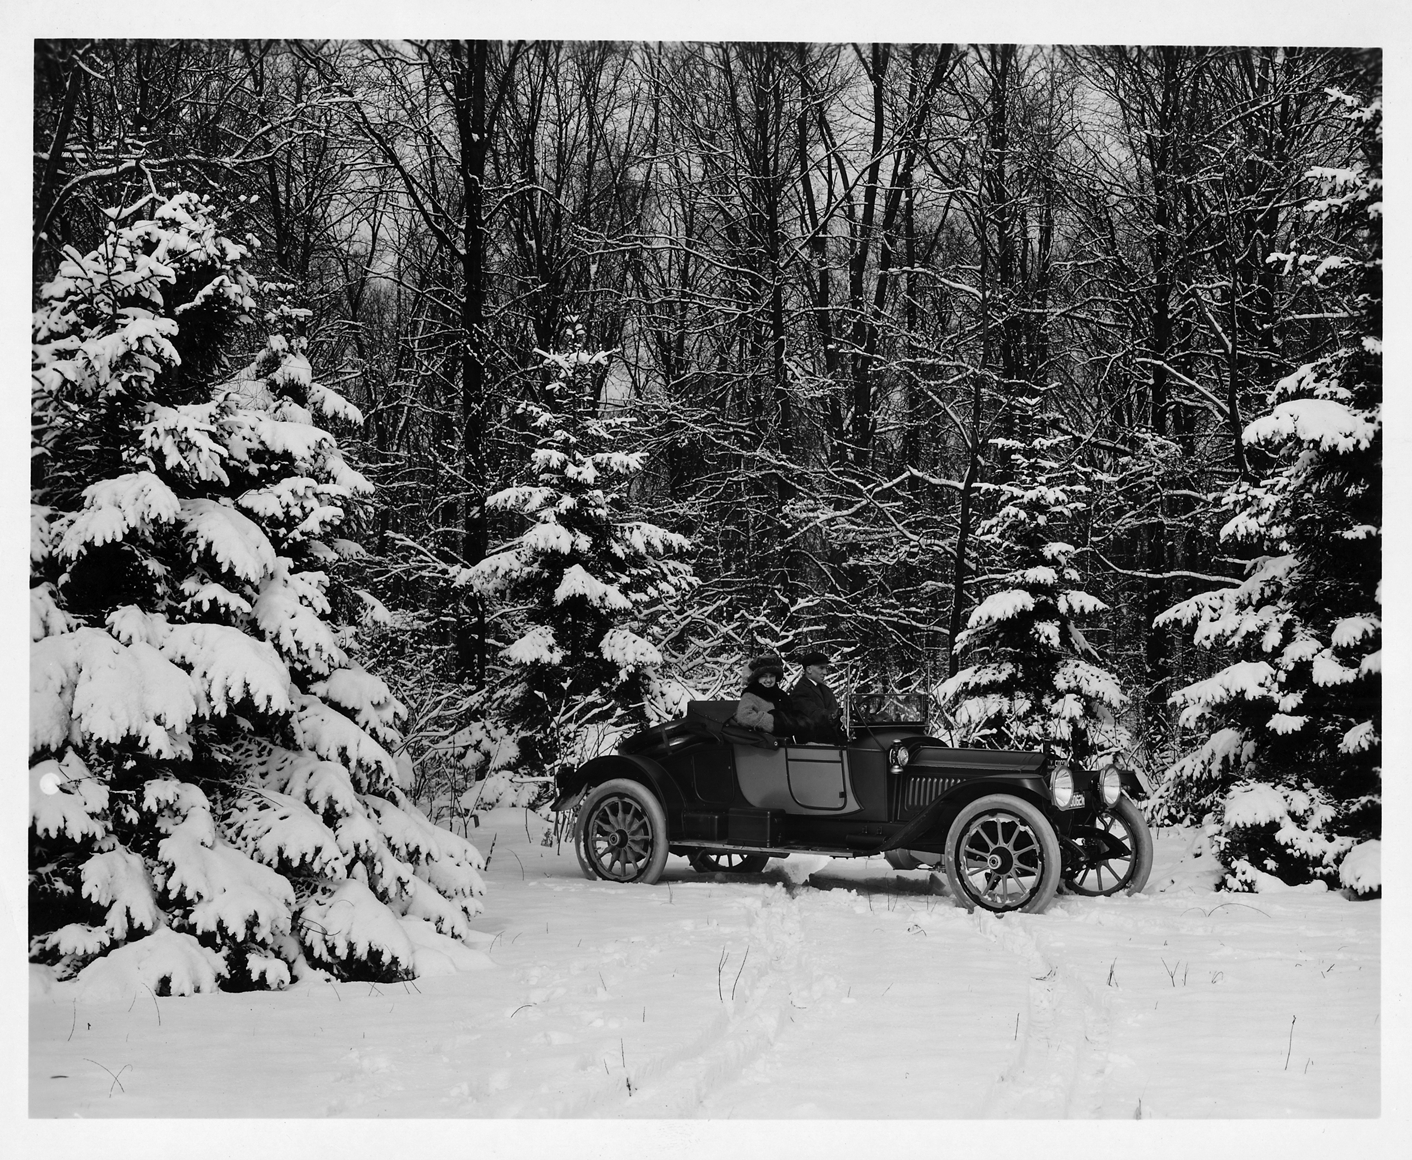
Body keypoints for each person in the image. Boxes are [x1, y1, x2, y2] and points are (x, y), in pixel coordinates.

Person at [732, 654, 800, 738]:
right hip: (763, 741)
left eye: (771, 676)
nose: (768, 680)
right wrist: (774, 722)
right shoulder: (750, 695)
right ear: (757, 678)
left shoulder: (781, 696)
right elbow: (743, 717)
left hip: (786, 741)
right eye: (764, 676)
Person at [789, 649, 846, 744]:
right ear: (809, 669)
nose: (825, 672)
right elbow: (813, 714)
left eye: (826, 668)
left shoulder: (825, 690)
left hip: (831, 743)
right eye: (821, 668)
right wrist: (833, 716)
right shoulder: (800, 691)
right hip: (813, 745)